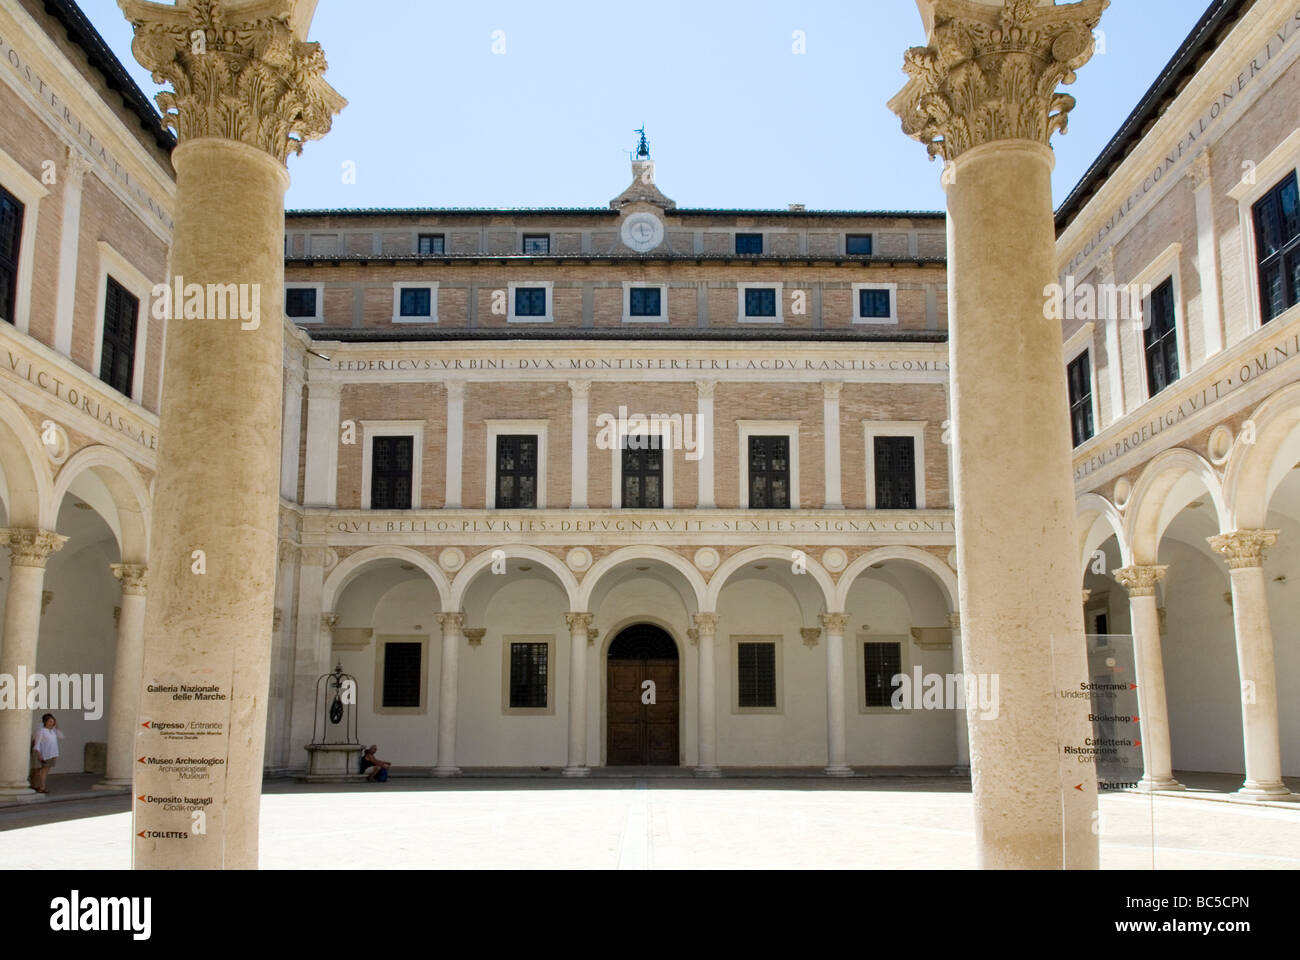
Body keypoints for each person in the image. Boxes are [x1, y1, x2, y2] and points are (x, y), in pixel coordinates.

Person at [30, 714, 62, 794]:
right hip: (43, 753)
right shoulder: (41, 730)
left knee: (43, 772)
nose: (51, 723)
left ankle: (38, 786)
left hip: (52, 754)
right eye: (50, 721)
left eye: (53, 721)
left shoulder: (53, 731)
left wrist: (57, 726)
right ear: (45, 722)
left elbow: (61, 736)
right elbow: (37, 743)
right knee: (41, 772)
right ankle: (41, 788)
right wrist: (39, 754)